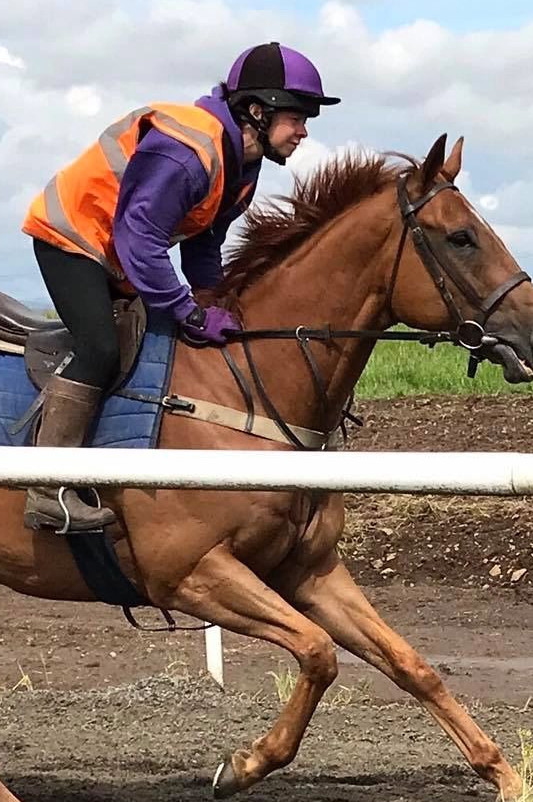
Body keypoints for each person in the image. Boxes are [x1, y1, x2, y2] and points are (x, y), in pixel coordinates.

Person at [19, 42, 341, 533]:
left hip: (119, 250)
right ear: (257, 111)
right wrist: (187, 311)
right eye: (297, 118)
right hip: (74, 237)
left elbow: (202, 247)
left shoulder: (242, 163)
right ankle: (47, 490)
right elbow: (140, 238)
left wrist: (215, 304)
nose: (303, 132)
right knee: (100, 347)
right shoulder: (188, 152)